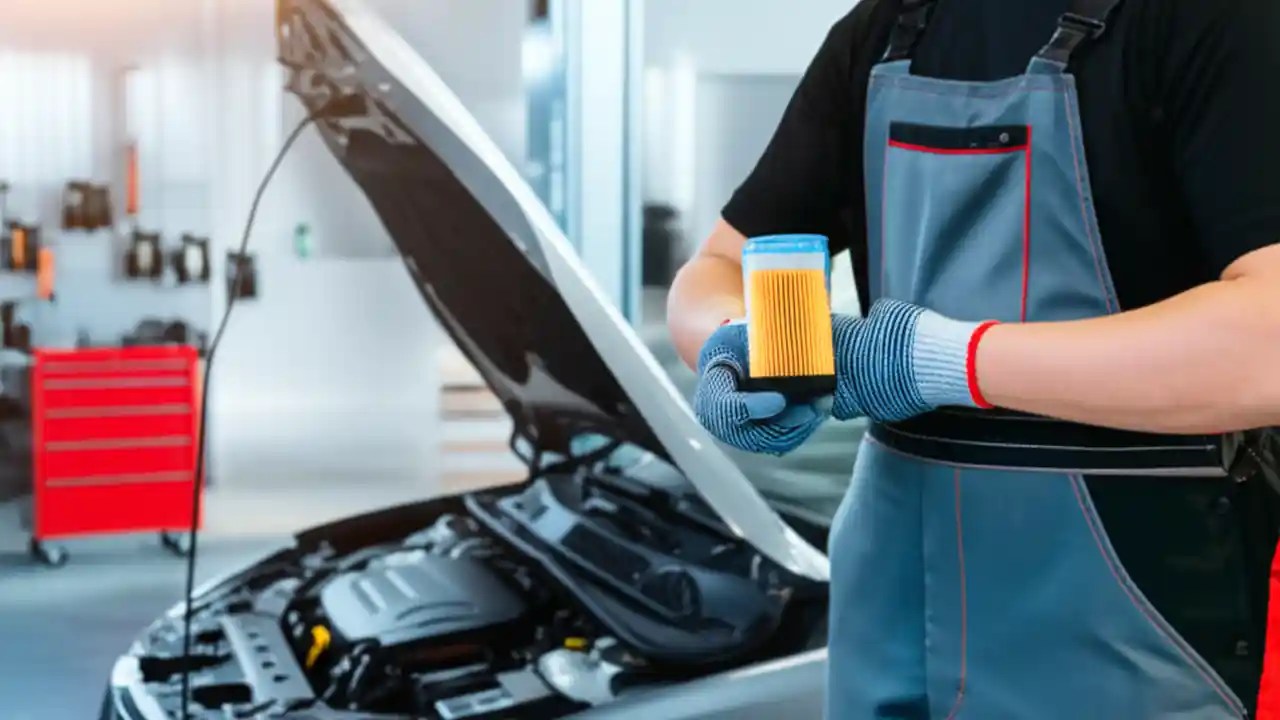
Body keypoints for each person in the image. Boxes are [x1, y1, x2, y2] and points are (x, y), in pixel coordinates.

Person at [666, 0, 1280, 717]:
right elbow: (717, 266)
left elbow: (1266, 344)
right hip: (887, 594)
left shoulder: (1214, 21)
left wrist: (934, 360)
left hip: (1132, 605)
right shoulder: (887, 29)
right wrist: (733, 344)